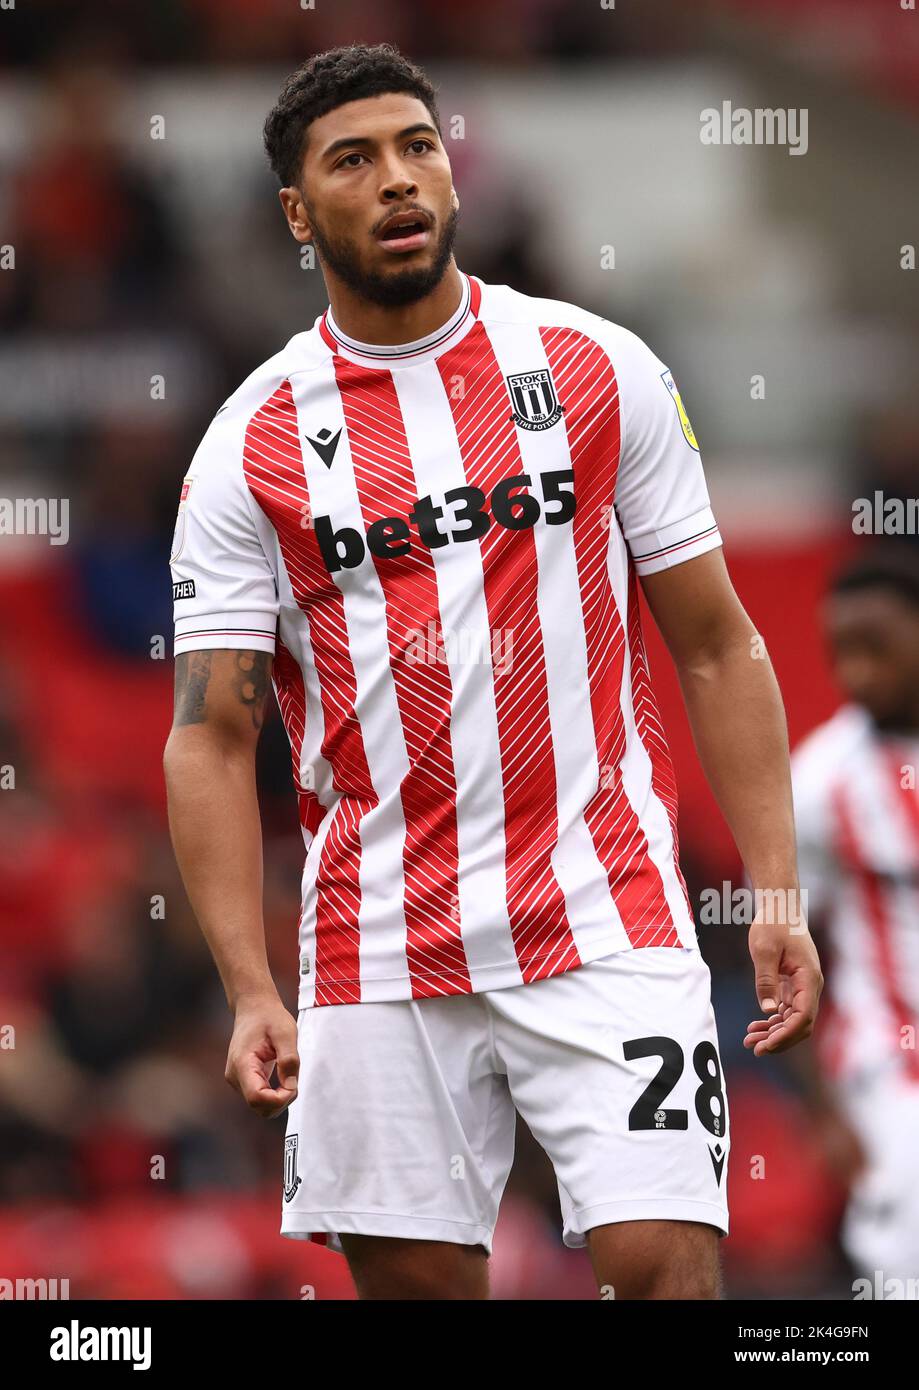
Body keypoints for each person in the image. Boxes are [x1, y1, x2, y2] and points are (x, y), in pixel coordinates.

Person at [163, 42, 822, 1301]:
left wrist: (776, 892)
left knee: (666, 1262)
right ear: (298, 212)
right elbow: (208, 735)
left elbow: (718, 640)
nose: (400, 180)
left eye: (418, 145)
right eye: (353, 161)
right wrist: (251, 987)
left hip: (603, 903)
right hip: (374, 942)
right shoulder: (248, 442)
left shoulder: (596, 365)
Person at [790, 547, 919, 1297]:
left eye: (876, 645)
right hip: (890, 1070)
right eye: (842, 651)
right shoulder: (819, 779)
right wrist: (824, 1114)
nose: (855, 671)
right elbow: (777, 954)